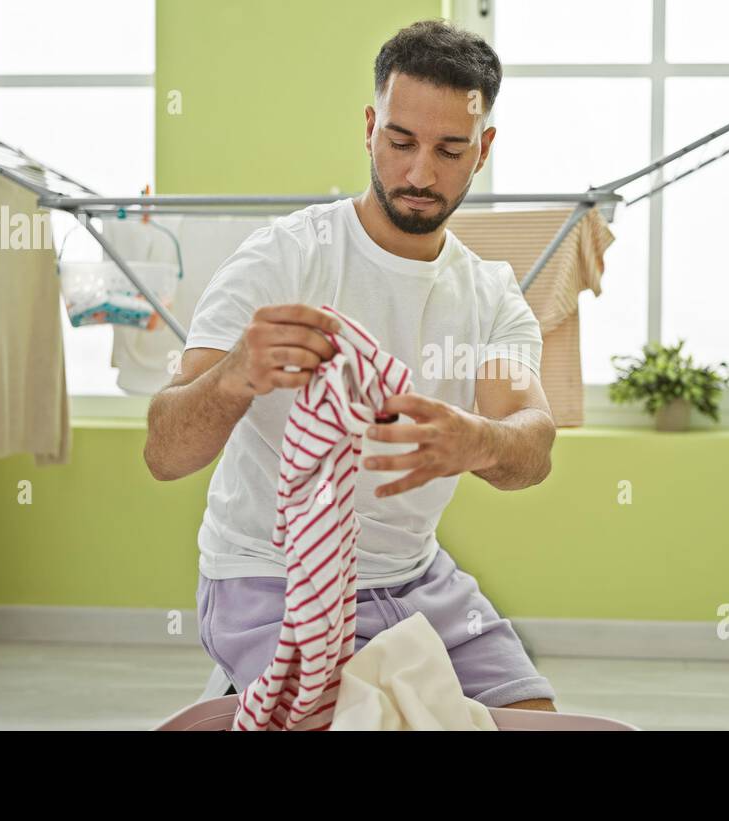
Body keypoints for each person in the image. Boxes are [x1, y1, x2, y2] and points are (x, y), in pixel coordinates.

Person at [144, 19, 558, 712]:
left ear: (483, 150)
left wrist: (476, 440)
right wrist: (237, 372)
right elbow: (163, 451)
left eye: (449, 150)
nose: (421, 172)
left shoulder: (489, 294)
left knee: (530, 721)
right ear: (370, 126)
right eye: (400, 141)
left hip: (419, 579)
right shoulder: (283, 259)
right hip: (268, 574)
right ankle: (242, 684)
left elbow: (534, 442)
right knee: (365, 721)